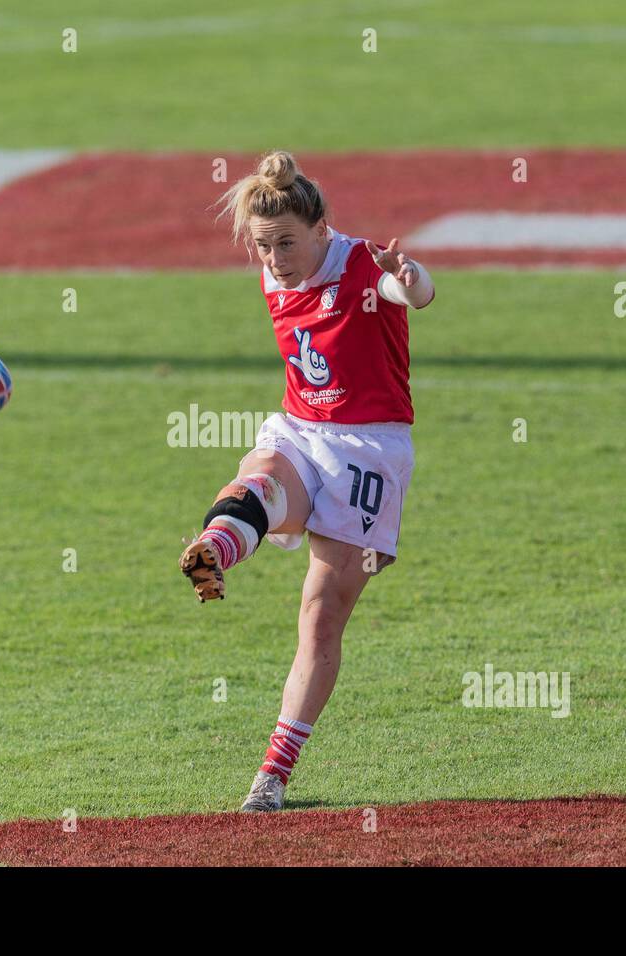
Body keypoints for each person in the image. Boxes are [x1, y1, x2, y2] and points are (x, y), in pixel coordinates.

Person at [178, 150, 436, 811]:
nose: (275, 259)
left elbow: (410, 292)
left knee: (320, 618)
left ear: (322, 230)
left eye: (286, 243)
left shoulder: (360, 264)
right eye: (263, 247)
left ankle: (272, 774)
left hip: (369, 450)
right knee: (259, 479)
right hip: (301, 429)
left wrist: (410, 278)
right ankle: (215, 551)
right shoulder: (273, 276)